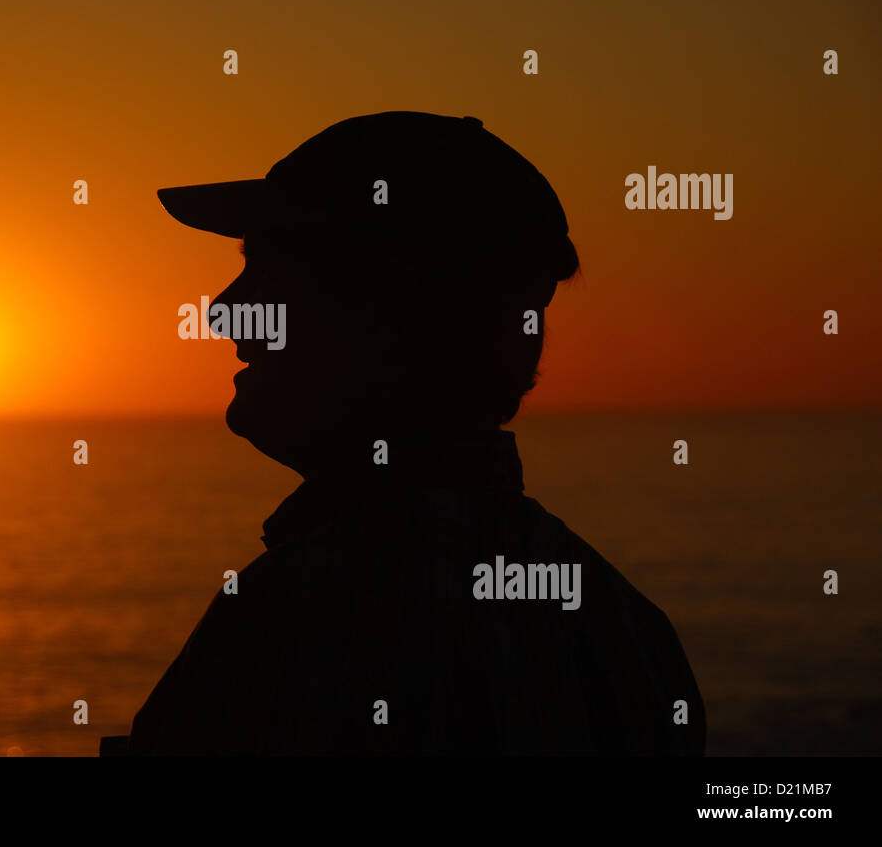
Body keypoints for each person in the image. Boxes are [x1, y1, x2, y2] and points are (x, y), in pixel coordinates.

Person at [106, 111, 705, 755]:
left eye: (267, 270)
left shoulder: (291, 622)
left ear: (386, 308)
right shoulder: (628, 636)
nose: (223, 312)